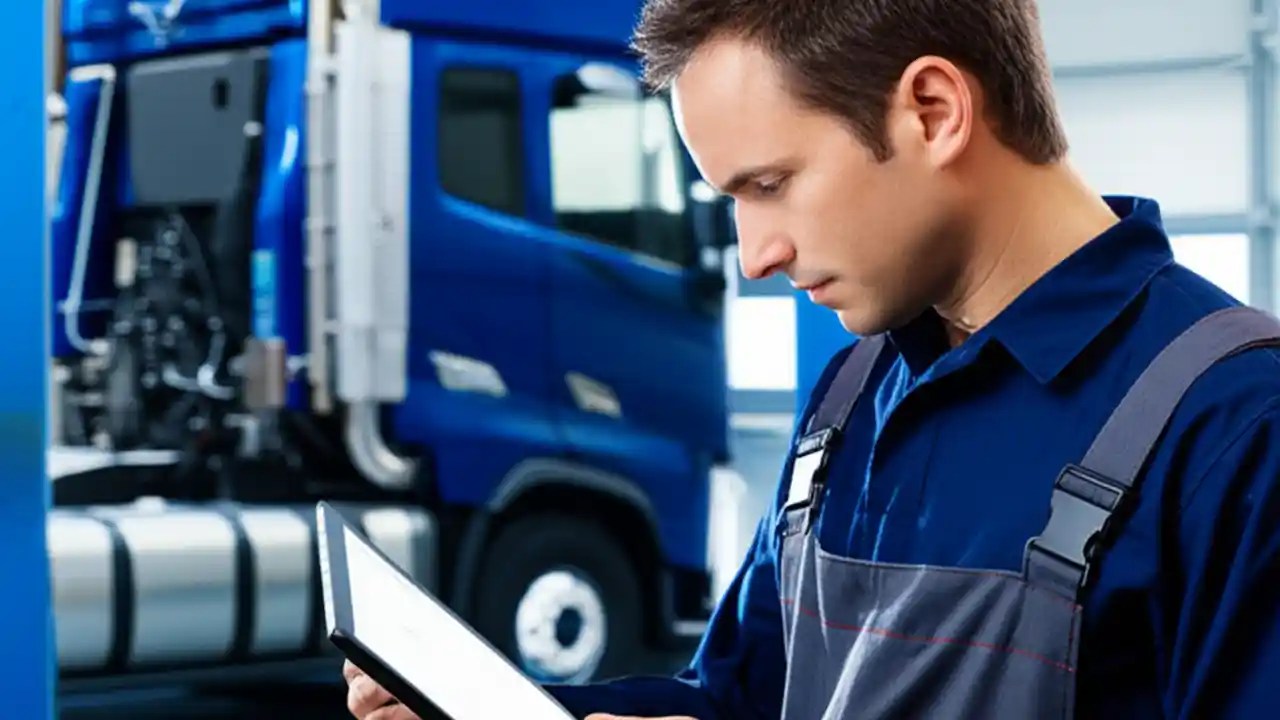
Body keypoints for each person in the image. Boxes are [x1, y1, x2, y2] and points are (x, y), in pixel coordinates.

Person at [344, 0, 1280, 717]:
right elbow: (747, 697)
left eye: (770, 184)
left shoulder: (1240, 428)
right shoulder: (853, 390)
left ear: (932, 108)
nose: (756, 254)